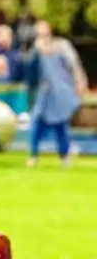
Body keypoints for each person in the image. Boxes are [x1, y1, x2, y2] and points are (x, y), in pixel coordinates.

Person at [24, 20, 86, 167]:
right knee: (37, 123)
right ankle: (33, 155)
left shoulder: (62, 46)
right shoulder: (34, 51)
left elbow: (74, 65)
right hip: (43, 94)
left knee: (61, 124)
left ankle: (64, 155)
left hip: (60, 92)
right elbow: (29, 71)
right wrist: (37, 52)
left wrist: (79, 81)